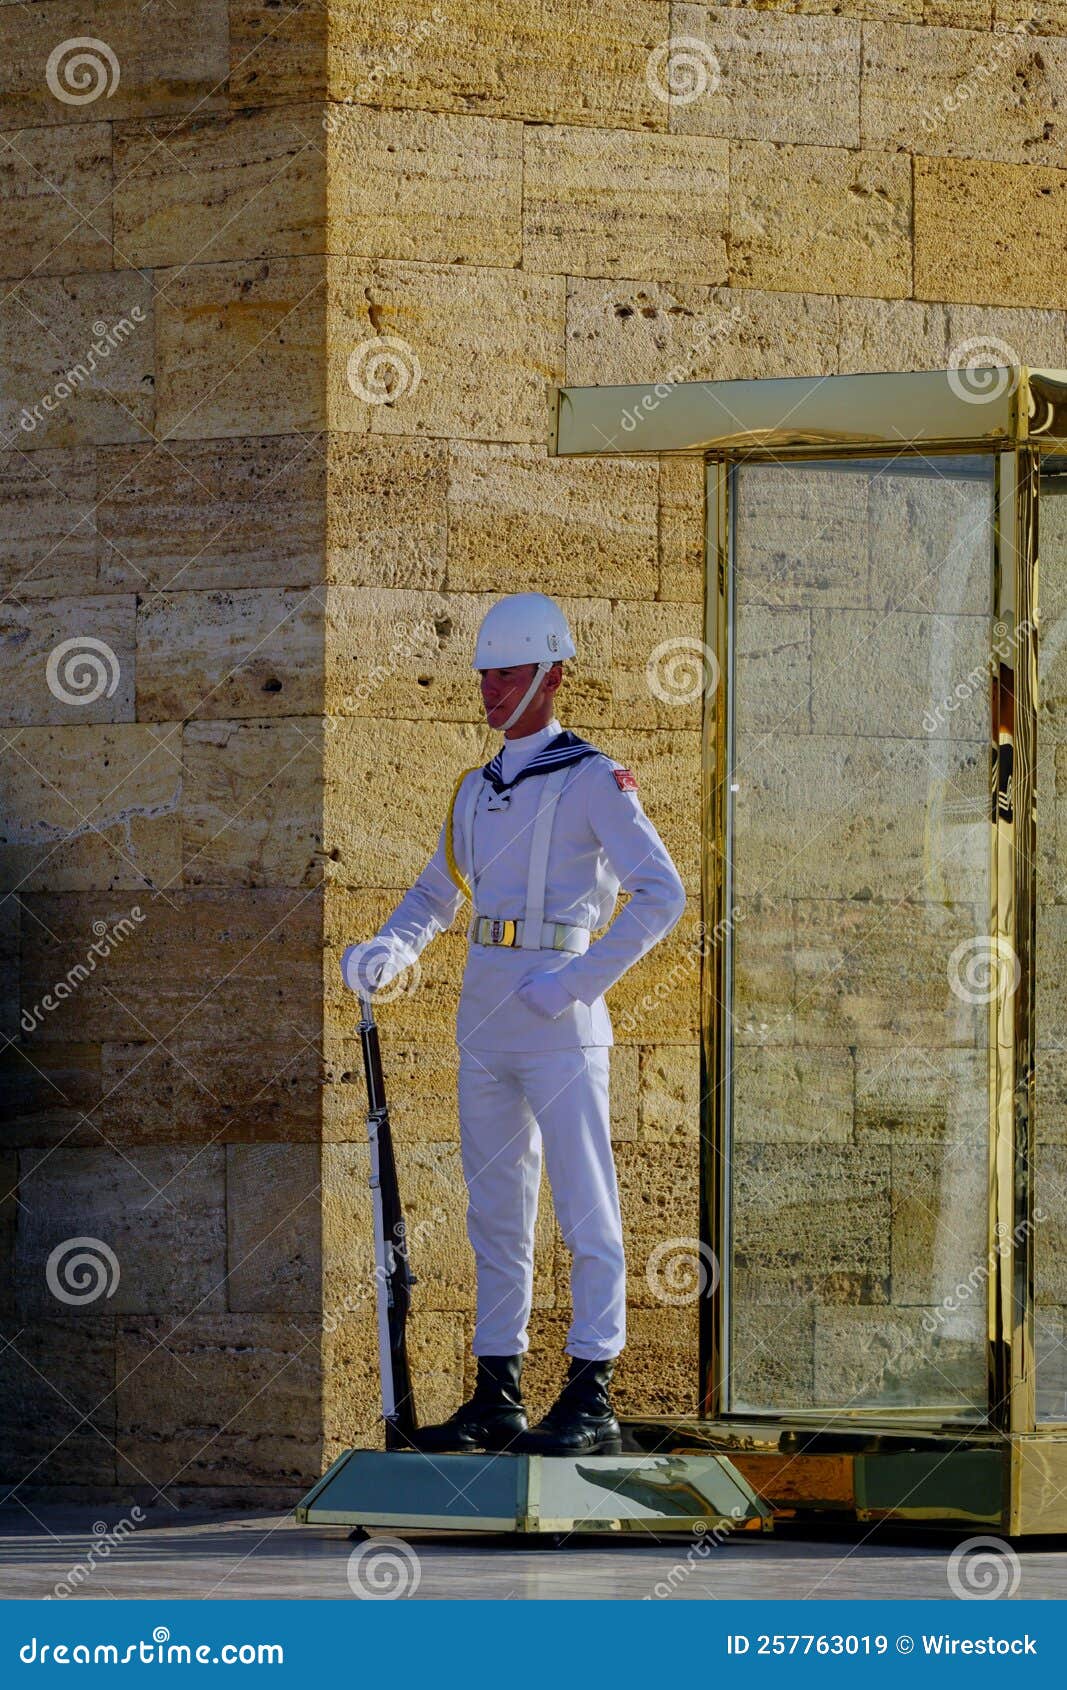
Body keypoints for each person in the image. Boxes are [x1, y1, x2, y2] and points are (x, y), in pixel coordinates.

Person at [341, 592, 686, 1455]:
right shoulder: (477, 787)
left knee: (585, 1207)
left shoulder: (591, 778)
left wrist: (578, 981)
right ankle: (498, 1388)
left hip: (558, 1015)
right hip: (485, 1013)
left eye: (505, 673)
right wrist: (393, 947)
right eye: (484, 674)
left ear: (550, 675)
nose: (490, 689)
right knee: (495, 1211)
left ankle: (591, 1388)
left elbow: (662, 893)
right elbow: (435, 892)